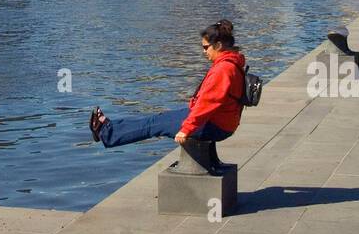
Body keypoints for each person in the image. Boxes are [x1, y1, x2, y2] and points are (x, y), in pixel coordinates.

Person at [89, 20, 246, 149]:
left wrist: (186, 129)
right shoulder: (232, 62)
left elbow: (209, 102)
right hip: (219, 120)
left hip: (215, 125)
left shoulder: (223, 69)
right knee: (158, 118)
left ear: (218, 46)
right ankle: (109, 127)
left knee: (153, 125)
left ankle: (107, 134)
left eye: (205, 47)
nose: (204, 52)